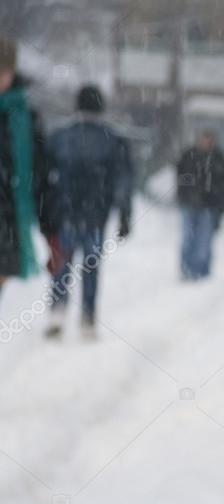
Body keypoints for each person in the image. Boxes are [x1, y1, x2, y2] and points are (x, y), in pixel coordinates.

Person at [44, 84, 133, 340]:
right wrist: (124, 213)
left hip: (65, 212)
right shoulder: (113, 140)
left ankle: (58, 311)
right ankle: (88, 317)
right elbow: (122, 179)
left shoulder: (60, 136)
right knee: (91, 266)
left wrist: (45, 209)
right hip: (95, 214)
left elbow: (43, 177)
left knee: (62, 264)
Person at [0, 37, 51, 298]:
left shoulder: (25, 116)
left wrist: (49, 228)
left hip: (8, 220)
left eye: (3, 71)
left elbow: (41, 174)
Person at [175, 130, 224, 280]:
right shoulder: (189, 156)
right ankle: (186, 269)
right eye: (204, 139)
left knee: (204, 241)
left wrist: (219, 205)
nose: (206, 143)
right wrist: (188, 195)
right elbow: (181, 178)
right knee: (188, 238)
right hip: (189, 204)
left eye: (209, 140)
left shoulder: (218, 158)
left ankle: (202, 271)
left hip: (209, 207)